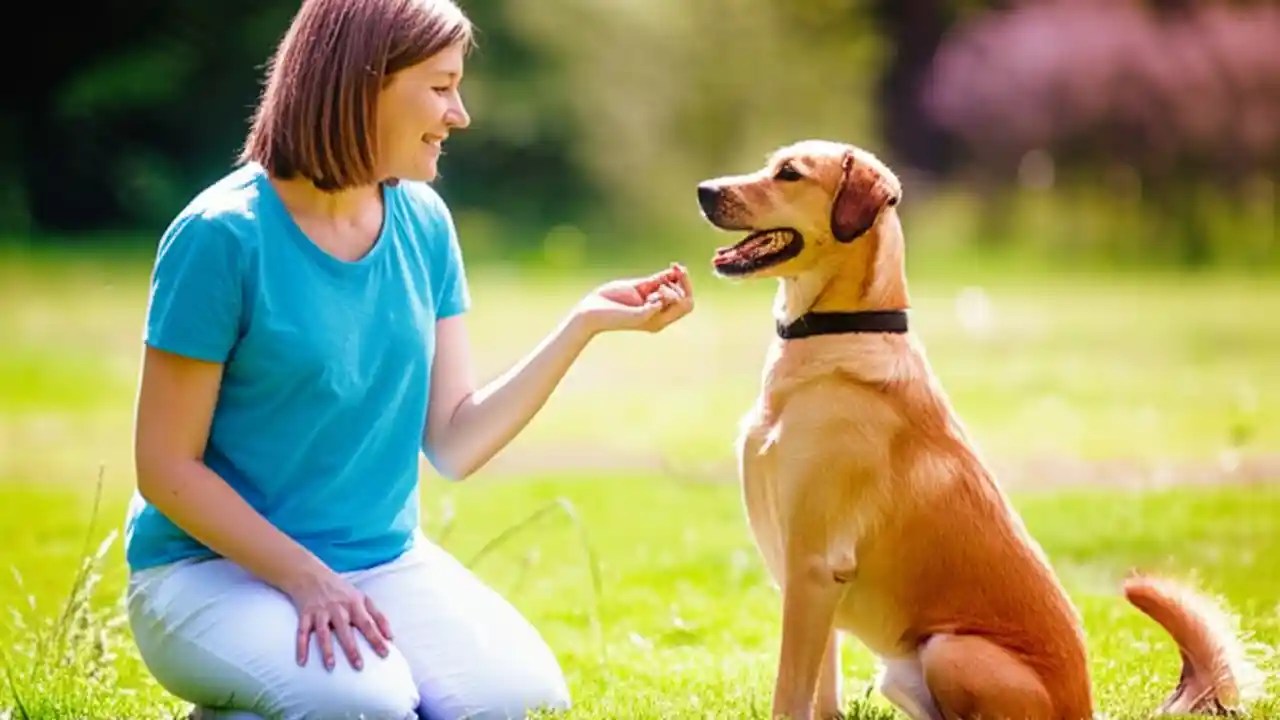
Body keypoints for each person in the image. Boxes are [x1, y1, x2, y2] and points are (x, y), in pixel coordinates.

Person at [122, 0, 695, 718]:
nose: (460, 114)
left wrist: (583, 326)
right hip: (208, 569)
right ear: (363, 85)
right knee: (366, 703)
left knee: (518, 699)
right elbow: (167, 469)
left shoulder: (424, 222)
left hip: (377, 561)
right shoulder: (221, 237)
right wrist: (306, 577)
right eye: (441, 85)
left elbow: (455, 440)